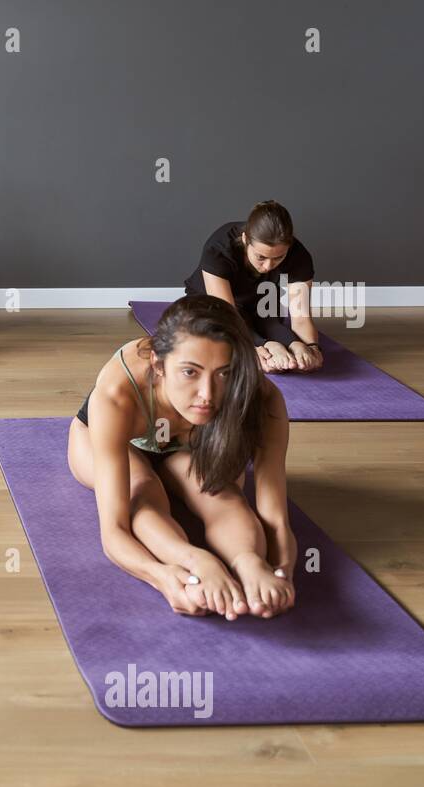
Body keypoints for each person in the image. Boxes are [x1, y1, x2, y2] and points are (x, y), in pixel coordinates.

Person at [67, 295, 298, 619]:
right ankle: (194, 558)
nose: (207, 394)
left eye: (224, 374)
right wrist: (166, 575)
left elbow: (275, 516)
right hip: (110, 441)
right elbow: (114, 530)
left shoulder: (262, 397)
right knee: (143, 487)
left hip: (184, 447)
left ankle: (245, 561)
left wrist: (277, 570)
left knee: (221, 494)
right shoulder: (118, 392)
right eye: (190, 372)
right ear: (158, 365)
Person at [184, 200, 323, 374]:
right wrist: (256, 347)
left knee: (270, 320)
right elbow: (228, 316)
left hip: (258, 299)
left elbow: (301, 317)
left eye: (278, 258)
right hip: (212, 303)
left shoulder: (299, 255)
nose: (268, 267)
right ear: (245, 240)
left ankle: (289, 344)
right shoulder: (219, 248)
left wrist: (310, 347)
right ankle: (270, 345)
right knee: (213, 329)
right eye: (260, 257)